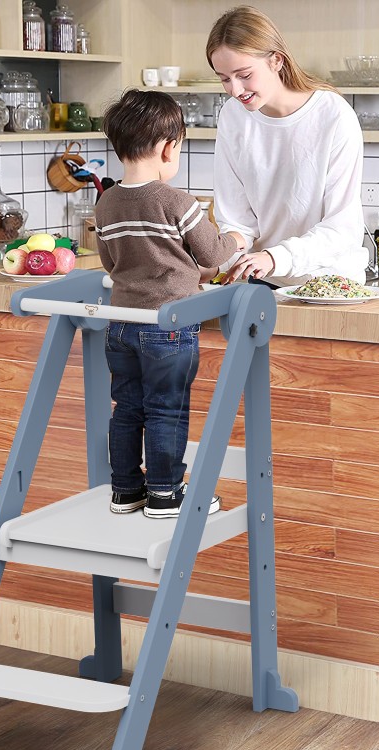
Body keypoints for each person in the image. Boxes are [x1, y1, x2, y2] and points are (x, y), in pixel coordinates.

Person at [95, 89, 245, 518]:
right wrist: (236, 238)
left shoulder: (107, 203)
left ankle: (126, 490)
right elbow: (213, 254)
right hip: (169, 327)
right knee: (166, 408)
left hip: (121, 325)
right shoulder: (176, 201)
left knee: (126, 408)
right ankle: (165, 493)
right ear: (168, 147)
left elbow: (113, 262)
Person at [206, 5, 368, 286]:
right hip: (265, 281)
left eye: (244, 75)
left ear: (276, 60)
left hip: (329, 283)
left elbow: (341, 228)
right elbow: (237, 222)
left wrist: (274, 257)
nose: (234, 90)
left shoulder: (333, 115)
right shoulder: (233, 116)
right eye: (224, 78)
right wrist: (211, 258)